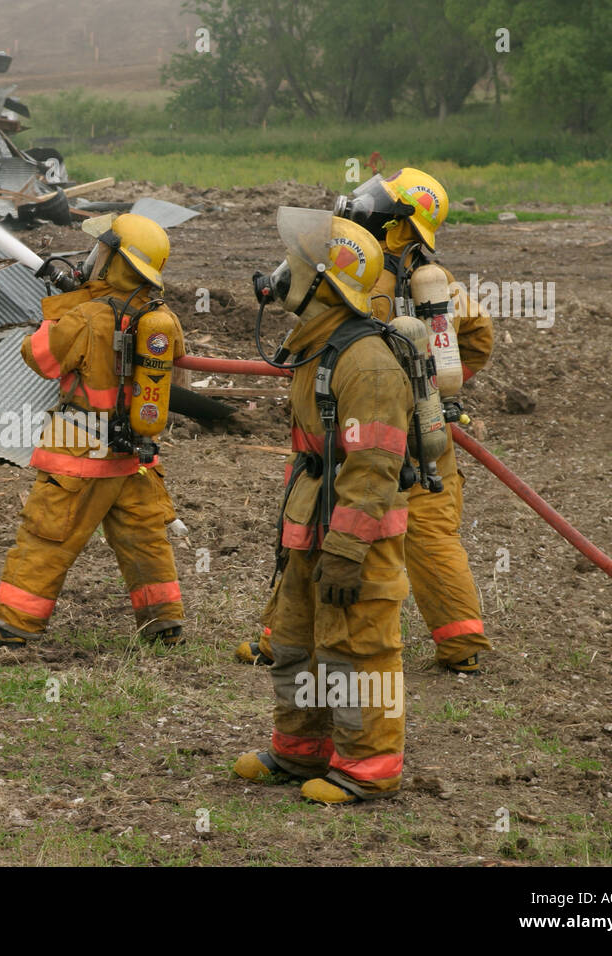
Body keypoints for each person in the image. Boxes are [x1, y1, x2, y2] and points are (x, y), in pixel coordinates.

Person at [236, 168, 494, 674]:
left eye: (378, 200)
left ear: (398, 221)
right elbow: (480, 336)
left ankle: (276, 640)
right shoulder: (437, 285)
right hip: (425, 427)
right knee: (433, 534)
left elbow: (309, 330)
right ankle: (462, 642)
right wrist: (435, 388)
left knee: (313, 526)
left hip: (355, 432)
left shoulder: (353, 276)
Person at [233, 208, 412, 804]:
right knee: (296, 640)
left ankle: (369, 766)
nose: (282, 275)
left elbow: (374, 466)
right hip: (311, 521)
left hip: (353, 534)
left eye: (297, 267)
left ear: (327, 282)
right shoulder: (317, 348)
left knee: (356, 648)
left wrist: (346, 548)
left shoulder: (367, 362)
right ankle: (300, 749)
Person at [0, 214, 186, 649]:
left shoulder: (85, 317)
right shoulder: (162, 319)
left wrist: (66, 308)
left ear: (117, 262)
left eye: (101, 253)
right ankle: (164, 622)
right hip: (136, 453)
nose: (92, 258)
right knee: (144, 538)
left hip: (77, 449)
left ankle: (14, 624)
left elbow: (40, 357)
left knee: (47, 534)